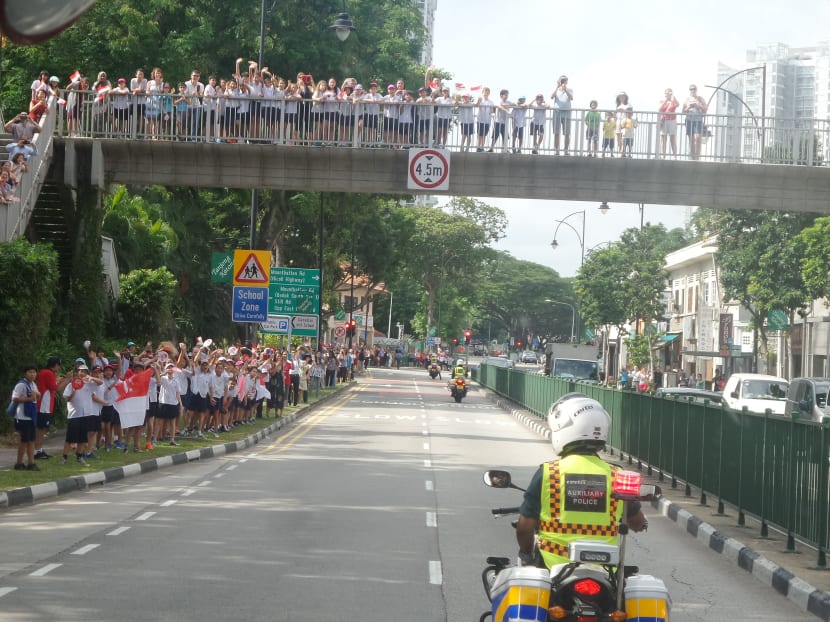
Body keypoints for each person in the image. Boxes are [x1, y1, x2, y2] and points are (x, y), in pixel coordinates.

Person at [516, 393, 647, 568]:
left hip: (552, 565)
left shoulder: (549, 473)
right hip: (605, 568)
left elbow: (525, 529)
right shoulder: (618, 475)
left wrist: (526, 553)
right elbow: (636, 522)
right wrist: (641, 524)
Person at [11, 364, 41, 471]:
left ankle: (31, 463)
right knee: (24, 441)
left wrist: (35, 395)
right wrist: (29, 399)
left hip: (31, 416)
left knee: (32, 440)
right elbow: (14, 398)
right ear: (25, 373)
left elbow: (38, 395)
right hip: (22, 417)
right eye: (30, 372)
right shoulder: (21, 385)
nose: (32, 374)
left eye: (34, 372)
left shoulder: (33, 384)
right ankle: (19, 463)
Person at [683, 84, 708, 160]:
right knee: (691, 140)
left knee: (698, 138)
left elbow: (705, 109)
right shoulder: (687, 99)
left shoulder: (700, 99)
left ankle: (697, 157)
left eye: (694, 89)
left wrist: (699, 106)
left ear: (696, 90)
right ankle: (693, 157)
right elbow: (683, 111)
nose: (692, 90)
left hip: (698, 121)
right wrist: (688, 107)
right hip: (689, 120)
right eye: (691, 89)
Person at [550, 76, 573, 155]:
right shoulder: (556, 90)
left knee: (567, 133)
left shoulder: (569, 90)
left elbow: (571, 98)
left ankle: (566, 150)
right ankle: (557, 150)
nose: (563, 82)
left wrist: (565, 89)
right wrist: (557, 86)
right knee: (556, 132)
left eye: (564, 80)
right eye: (562, 80)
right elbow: (551, 97)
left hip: (567, 113)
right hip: (557, 112)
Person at [658, 88, 679, 158]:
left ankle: (675, 156)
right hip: (664, 120)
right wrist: (666, 100)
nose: (668, 94)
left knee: (672, 138)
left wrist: (674, 98)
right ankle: (663, 156)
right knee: (663, 138)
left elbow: (678, 104)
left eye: (669, 93)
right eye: (666, 93)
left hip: (672, 120)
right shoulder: (662, 101)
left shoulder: (673, 101)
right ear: (665, 94)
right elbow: (659, 109)